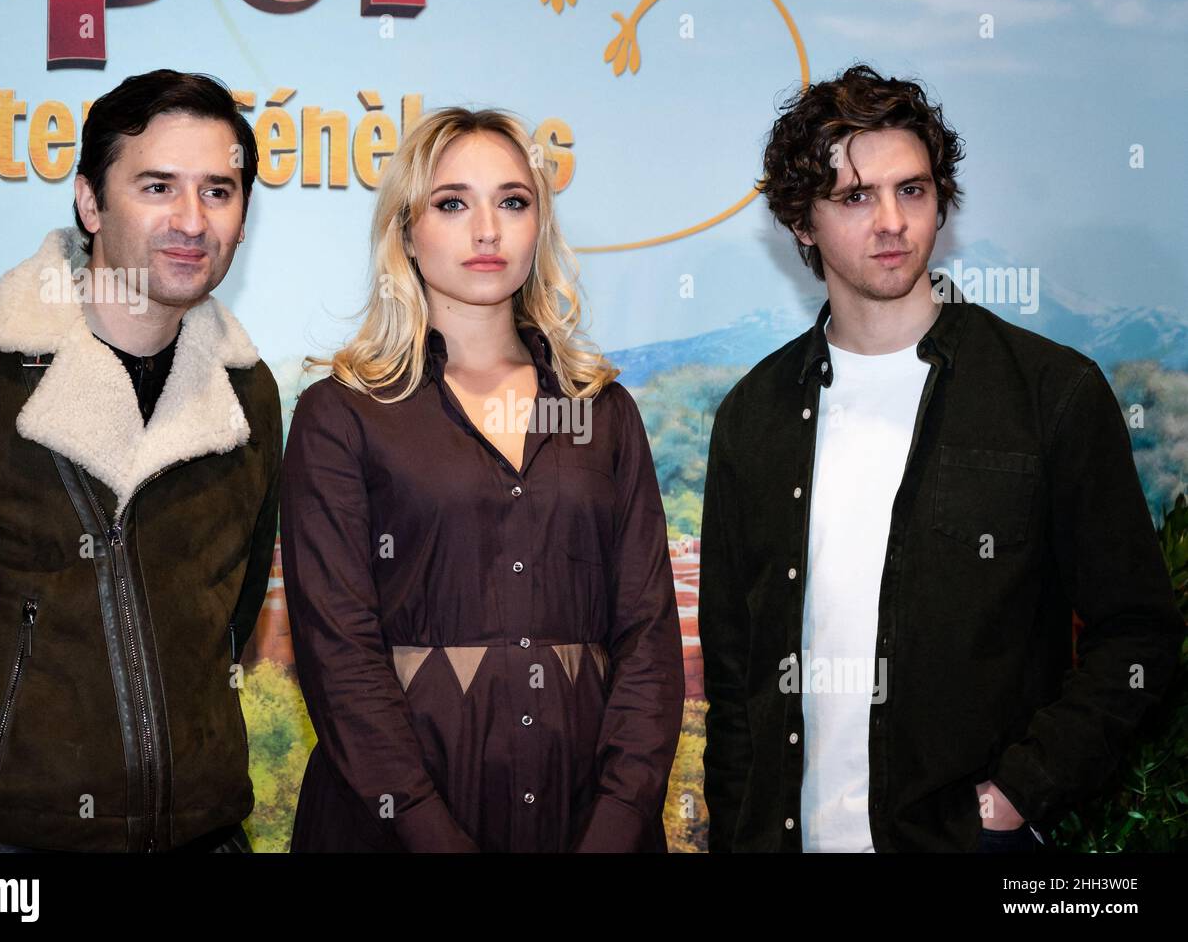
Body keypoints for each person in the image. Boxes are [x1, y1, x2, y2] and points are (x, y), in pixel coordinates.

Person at [699, 64, 1183, 852]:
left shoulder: (1048, 392)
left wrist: (1018, 795)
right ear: (801, 221)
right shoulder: (753, 416)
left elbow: (1138, 633)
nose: (891, 220)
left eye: (912, 191)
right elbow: (731, 673)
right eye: (855, 197)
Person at [0, 69, 281, 852]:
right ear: (90, 202)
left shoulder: (250, 392)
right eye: (158, 186)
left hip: (200, 835)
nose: (192, 221)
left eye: (219, 191)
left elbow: (229, 619)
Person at [280, 107, 684, 852]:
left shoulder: (603, 411)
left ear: (539, 227)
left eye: (513, 201)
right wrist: (429, 832)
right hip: (392, 826)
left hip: (585, 819)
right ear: (406, 229)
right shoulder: (340, 414)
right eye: (453, 202)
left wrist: (619, 825)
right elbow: (339, 656)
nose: (488, 230)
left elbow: (648, 639)